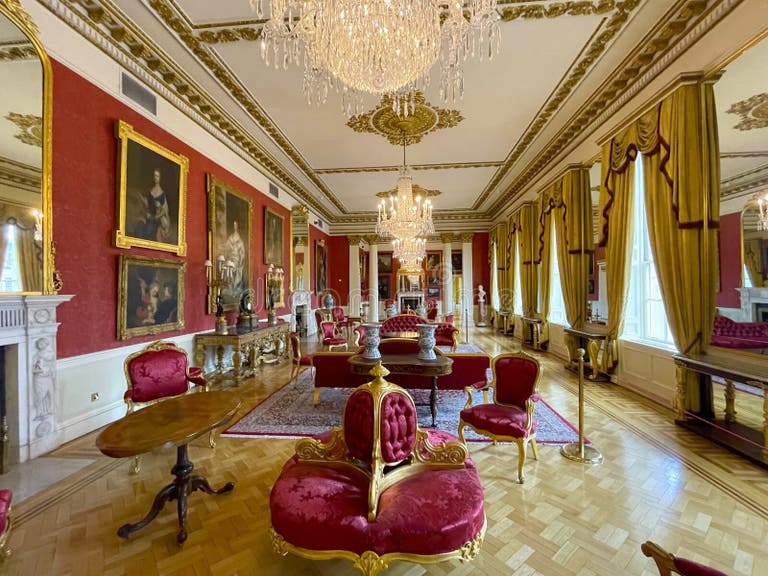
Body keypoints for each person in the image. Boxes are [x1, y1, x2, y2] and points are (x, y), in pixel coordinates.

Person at [135, 168, 171, 242]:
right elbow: (147, 204)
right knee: (139, 227)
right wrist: (141, 198)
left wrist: (155, 215)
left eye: (157, 176)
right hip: (148, 216)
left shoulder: (162, 194)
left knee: (148, 231)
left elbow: (164, 211)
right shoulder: (150, 190)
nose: (155, 178)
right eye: (154, 175)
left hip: (156, 219)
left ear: (160, 178)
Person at [225, 219, 246, 296]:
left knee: (236, 272)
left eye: (236, 225)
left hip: (237, 259)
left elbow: (242, 252)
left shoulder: (240, 240)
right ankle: (230, 288)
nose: (235, 226)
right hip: (230, 258)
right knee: (229, 271)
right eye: (234, 225)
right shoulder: (230, 237)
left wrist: (240, 257)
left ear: (237, 226)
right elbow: (227, 248)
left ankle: (235, 288)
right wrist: (231, 248)